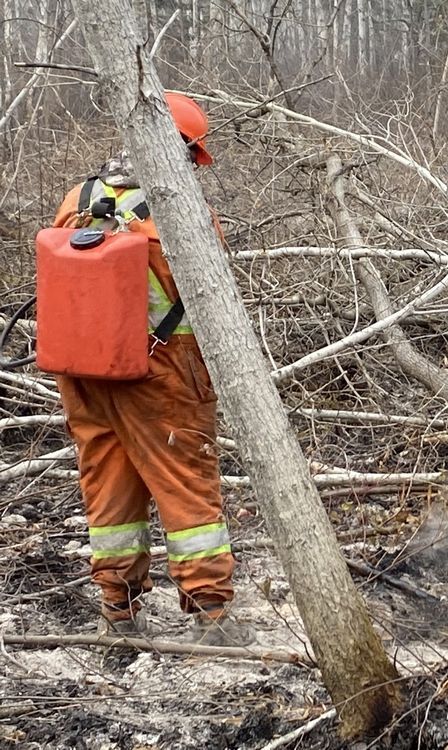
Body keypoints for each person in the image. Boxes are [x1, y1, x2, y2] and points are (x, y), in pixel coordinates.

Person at [50, 93, 253, 645]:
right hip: (161, 373)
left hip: (83, 373)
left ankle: (117, 609)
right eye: (191, 153)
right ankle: (212, 613)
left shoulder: (79, 196)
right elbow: (212, 294)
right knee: (185, 481)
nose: (191, 165)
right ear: (177, 147)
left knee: (107, 485)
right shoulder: (178, 206)